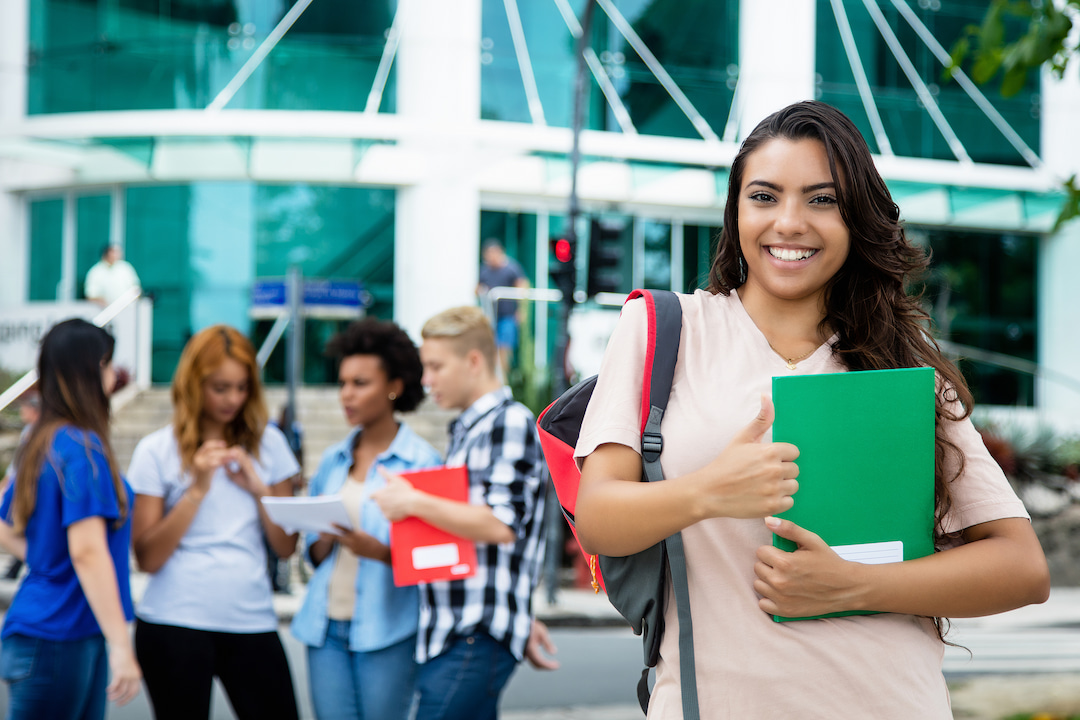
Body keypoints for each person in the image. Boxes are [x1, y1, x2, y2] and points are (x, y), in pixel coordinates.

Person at [572, 101, 1050, 719]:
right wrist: (710, 490)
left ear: (857, 219)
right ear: (736, 211)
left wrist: (857, 586)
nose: (789, 222)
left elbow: (1022, 567)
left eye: (822, 200)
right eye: (764, 197)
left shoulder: (901, 366)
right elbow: (598, 518)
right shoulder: (663, 330)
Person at [372, 306, 549, 720]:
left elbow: (501, 524)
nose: (425, 380)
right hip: (461, 633)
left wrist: (412, 501)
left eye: (435, 366)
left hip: (474, 634)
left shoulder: (507, 422)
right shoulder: (471, 428)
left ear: (473, 361)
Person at [127, 325, 301, 720]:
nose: (233, 399)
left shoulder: (270, 444)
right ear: (194, 383)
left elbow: (286, 546)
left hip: (252, 619)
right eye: (220, 387)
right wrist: (196, 490)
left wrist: (260, 489)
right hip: (173, 622)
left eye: (241, 387)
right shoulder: (156, 450)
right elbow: (148, 558)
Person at [290, 318, 442, 720]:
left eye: (360, 383)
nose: (347, 394)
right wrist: (322, 537)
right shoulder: (332, 460)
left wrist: (377, 551)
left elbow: (433, 562)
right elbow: (315, 557)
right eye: (343, 383)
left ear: (393, 386)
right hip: (325, 629)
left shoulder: (422, 463)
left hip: (387, 629)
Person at [0, 319, 141, 718]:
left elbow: (5, 529)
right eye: (109, 364)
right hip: (61, 634)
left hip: (46, 629)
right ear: (92, 370)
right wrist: (121, 644)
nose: (114, 375)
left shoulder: (45, 441)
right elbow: (87, 551)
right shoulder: (82, 449)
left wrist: (47, 560)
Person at [1, 389, 40, 579]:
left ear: (35, 410)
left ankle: (19, 567)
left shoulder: (40, 433)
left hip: (27, 487)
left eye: (25, 407)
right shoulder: (29, 431)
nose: (21, 412)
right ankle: (17, 567)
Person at [476, 240, 529, 378]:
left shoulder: (511, 268)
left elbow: (522, 285)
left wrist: (521, 309)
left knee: (504, 349)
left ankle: (504, 378)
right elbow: (477, 288)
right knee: (490, 349)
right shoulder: (485, 270)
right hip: (491, 316)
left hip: (508, 316)